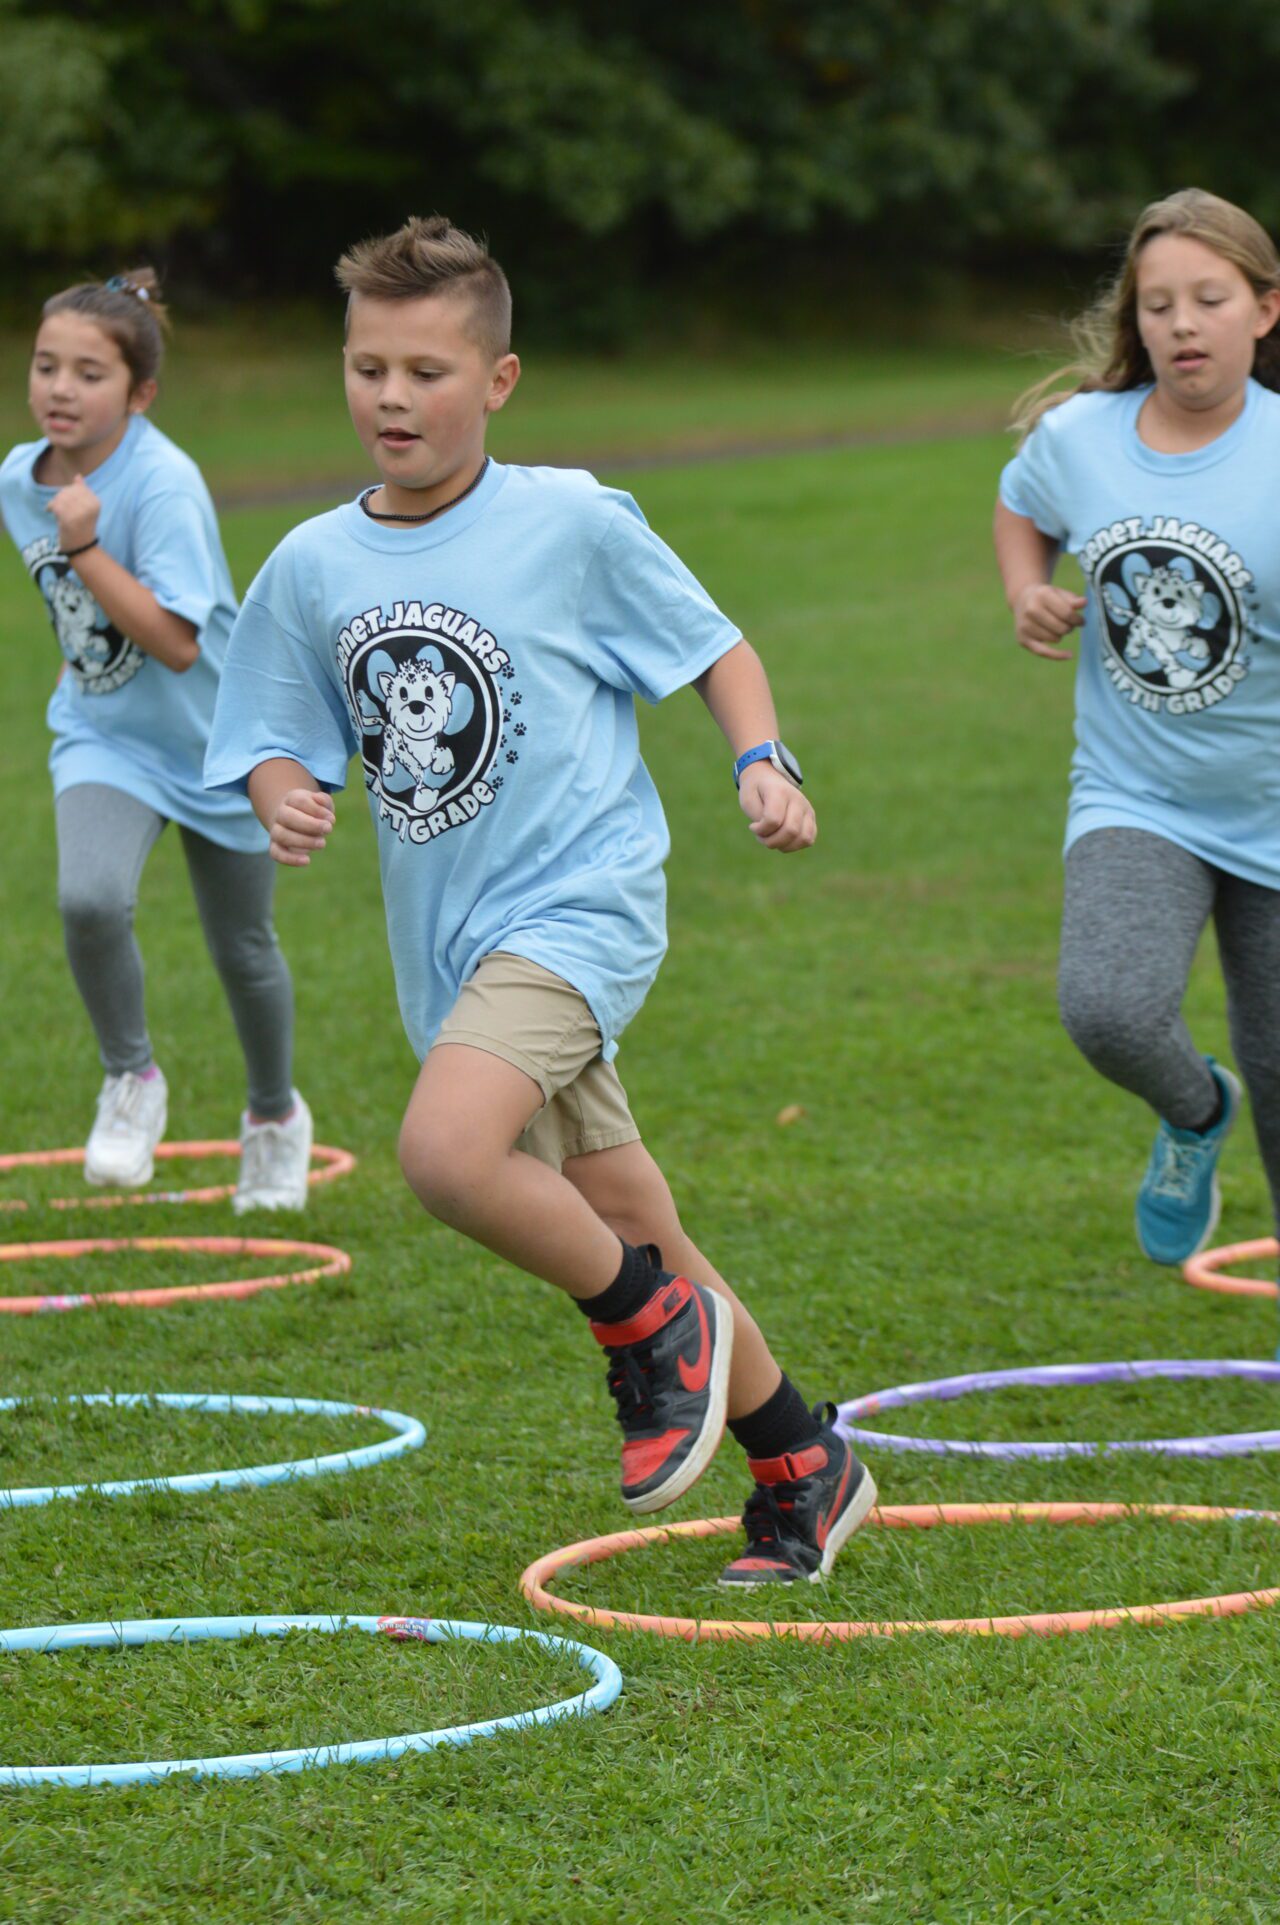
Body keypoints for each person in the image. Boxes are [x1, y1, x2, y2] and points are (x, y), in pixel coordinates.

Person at [205, 215, 875, 1584]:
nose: (393, 398)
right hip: (447, 949)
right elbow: (271, 726)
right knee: (643, 1220)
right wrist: (282, 787)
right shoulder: (315, 564)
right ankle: (803, 1461)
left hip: (581, 913)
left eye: (428, 372)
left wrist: (761, 757)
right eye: (368, 367)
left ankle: (645, 1329)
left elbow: (715, 645)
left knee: (448, 1156)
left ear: (498, 381)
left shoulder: (570, 521)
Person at [994, 188, 1280, 1270]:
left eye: (1208, 298)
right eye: (1157, 303)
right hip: (1136, 792)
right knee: (1107, 1009)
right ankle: (1196, 1108)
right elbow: (1022, 505)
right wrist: (1025, 588)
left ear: (1261, 311)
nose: (1180, 323)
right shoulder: (1081, 439)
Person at [0, 270, 313, 1210]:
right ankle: (131, 1080)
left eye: (88, 374)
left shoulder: (164, 484)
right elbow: (69, 606)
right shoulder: (21, 479)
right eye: (46, 365)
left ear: (139, 395)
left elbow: (178, 644)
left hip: (222, 742)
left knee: (243, 948)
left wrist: (90, 550)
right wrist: (76, 659)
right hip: (106, 738)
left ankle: (272, 1117)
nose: (60, 387)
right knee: (89, 898)